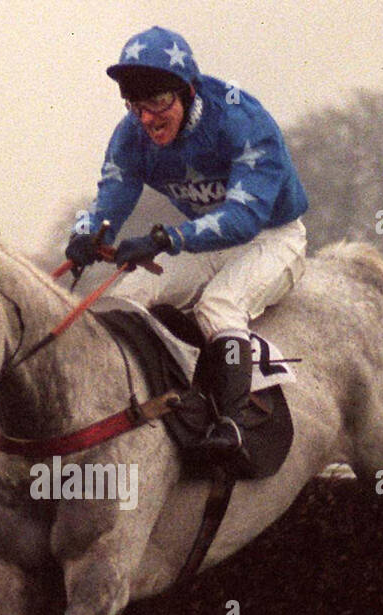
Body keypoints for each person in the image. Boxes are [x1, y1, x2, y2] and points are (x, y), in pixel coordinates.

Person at [67, 27, 309, 461]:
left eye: (159, 103)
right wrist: (87, 233)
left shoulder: (242, 119)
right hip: (208, 242)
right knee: (126, 298)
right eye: (136, 105)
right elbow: (112, 195)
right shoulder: (131, 134)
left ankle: (232, 425)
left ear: (189, 91)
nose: (147, 119)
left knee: (219, 306)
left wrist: (167, 238)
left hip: (272, 236)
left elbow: (243, 217)